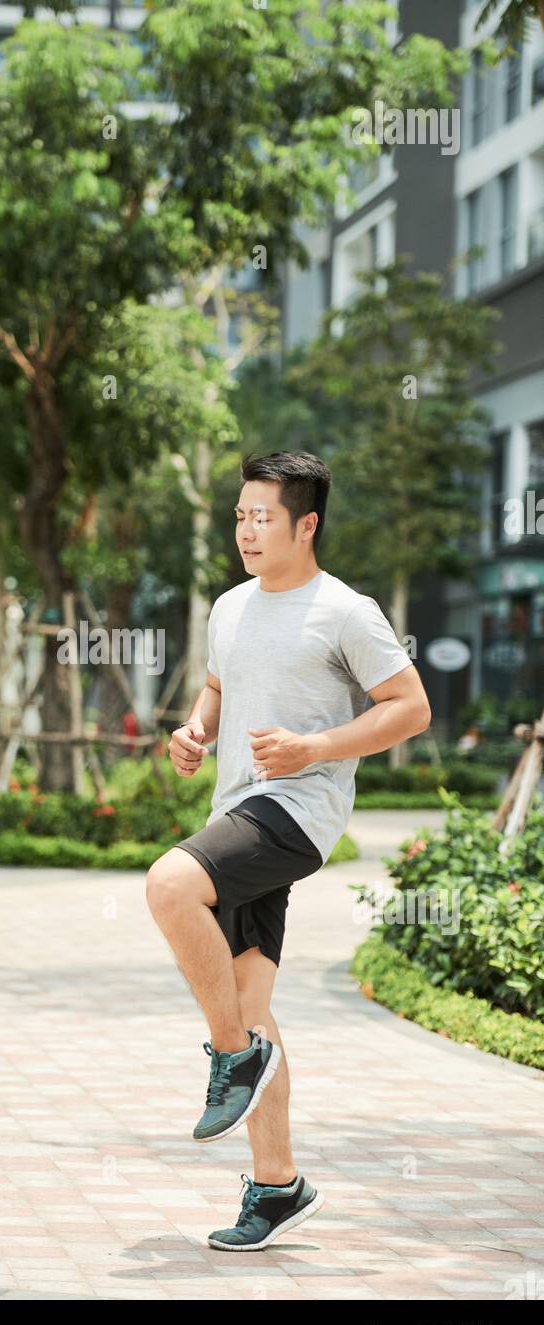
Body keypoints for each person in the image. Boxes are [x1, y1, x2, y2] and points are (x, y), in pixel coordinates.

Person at [145, 451, 431, 1251]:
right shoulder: (229, 607)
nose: (245, 529)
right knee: (252, 1001)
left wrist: (313, 748)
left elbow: (409, 709)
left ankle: (231, 1057)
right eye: (238, 515)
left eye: (261, 516)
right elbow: (219, 682)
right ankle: (276, 1186)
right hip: (236, 803)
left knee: (170, 886)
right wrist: (196, 728)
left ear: (305, 524)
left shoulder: (345, 611)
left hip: (296, 811)